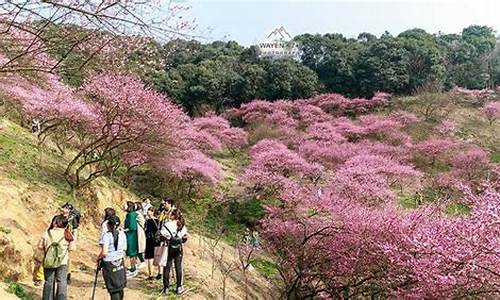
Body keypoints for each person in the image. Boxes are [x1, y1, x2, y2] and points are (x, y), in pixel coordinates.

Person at [37, 215, 75, 300]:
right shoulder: (67, 234)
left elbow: (40, 247)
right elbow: (72, 248)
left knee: (48, 282)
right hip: (63, 262)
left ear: (55, 223)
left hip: (48, 261)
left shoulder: (47, 233)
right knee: (62, 282)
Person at [98, 215, 127, 300]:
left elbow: (104, 252)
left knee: (113, 288)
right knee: (120, 286)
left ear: (108, 225)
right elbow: (124, 248)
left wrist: (98, 258)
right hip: (120, 261)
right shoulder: (122, 234)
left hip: (109, 264)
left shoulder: (107, 236)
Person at [160, 208, 188, 295]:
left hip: (168, 248)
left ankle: (166, 288)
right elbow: (184, 238)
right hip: (178, 249)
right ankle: (179, 287)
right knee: (178, 267)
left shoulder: (166, 225)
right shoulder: (182, 225)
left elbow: (161, 236)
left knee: (167, 268)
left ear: (172, 215)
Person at [61, 202, 80, 285]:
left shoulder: (71, 218)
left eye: (64, 208)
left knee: (67, 257)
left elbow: (74, 230)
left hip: (68, 239)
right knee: (66, 257)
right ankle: (65, 275)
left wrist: (73, 241)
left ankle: (67, 275)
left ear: (68, 209)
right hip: (65, 239)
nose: (62, 210)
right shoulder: (66, 217)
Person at [144, 207, 162, 280]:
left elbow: (146, 231)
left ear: (152, 212)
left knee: (150, 257)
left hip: (150, 240)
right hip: (158, 240)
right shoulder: (159, 221)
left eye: (150, 210)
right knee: (158, 257)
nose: (148, 212)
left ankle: (151, 274)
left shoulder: (148, 221)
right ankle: (160, 273)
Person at [124, 201, 139, 278]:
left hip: (131, 236)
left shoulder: (131, 215)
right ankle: (133, 267)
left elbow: (132, 227)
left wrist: (124, 230)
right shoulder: (131, 214)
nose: (124, 206)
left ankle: (133, 269)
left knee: (132, 252)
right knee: (131, 252)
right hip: (131, 235)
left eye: (125, 205)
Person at [135, 202, 146, 269]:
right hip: (137, 232)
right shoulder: (137, 213)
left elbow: (143, 223)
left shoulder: (137, 214)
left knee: (138, 248)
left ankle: (142, 261)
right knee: (136, 249)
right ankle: (135, 263)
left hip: (139, 233)